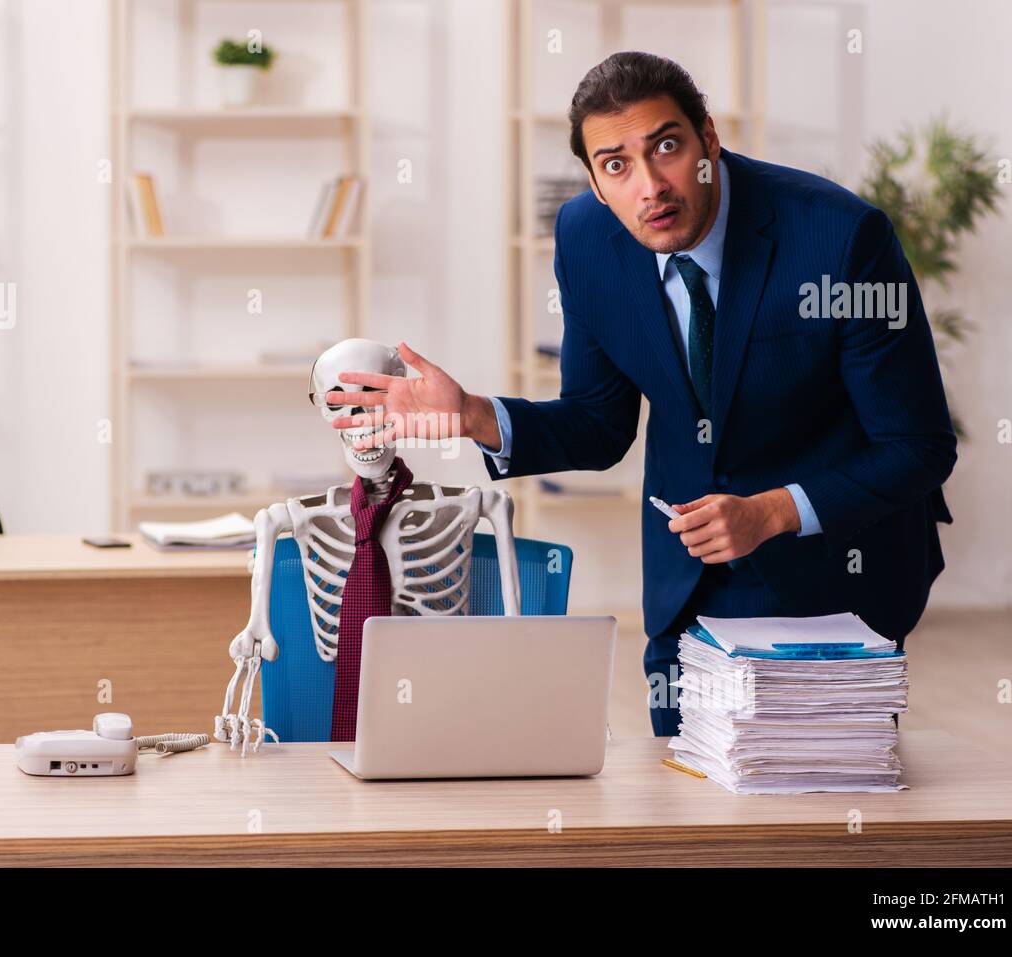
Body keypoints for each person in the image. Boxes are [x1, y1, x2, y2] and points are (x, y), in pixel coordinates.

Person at [324, 51, 955, 735]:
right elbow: (600, 423)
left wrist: (771, 511)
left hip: (837, 571)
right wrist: (473, 415)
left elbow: (917, 446)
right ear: (596, 182)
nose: (650, 185)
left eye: (668, 147)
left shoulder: (840, 239)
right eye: (617, 165)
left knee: (818, 807)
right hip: (689, 577)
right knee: (681, 804)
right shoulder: (587, 238)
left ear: (708, 138)